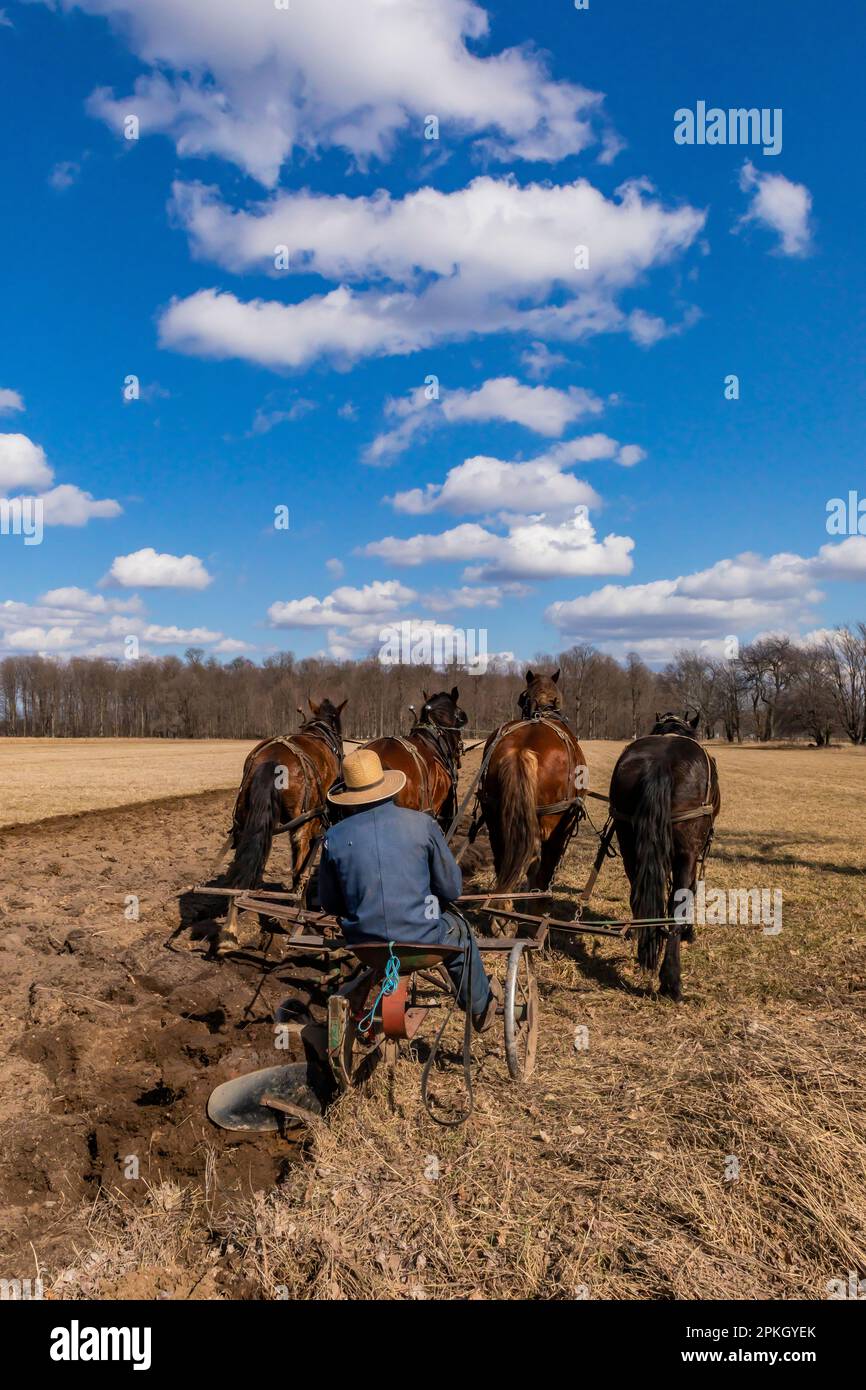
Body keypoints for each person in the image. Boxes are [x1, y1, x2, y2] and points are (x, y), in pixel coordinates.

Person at [319, 748, 501, 1031]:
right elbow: (451, 889)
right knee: (461, 932)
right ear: (387, 787)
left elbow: (330, 903)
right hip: (422, 941)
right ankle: (480, 1006)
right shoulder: (422, 824)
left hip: (365, 947)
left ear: (349, 796)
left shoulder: (333, 837)